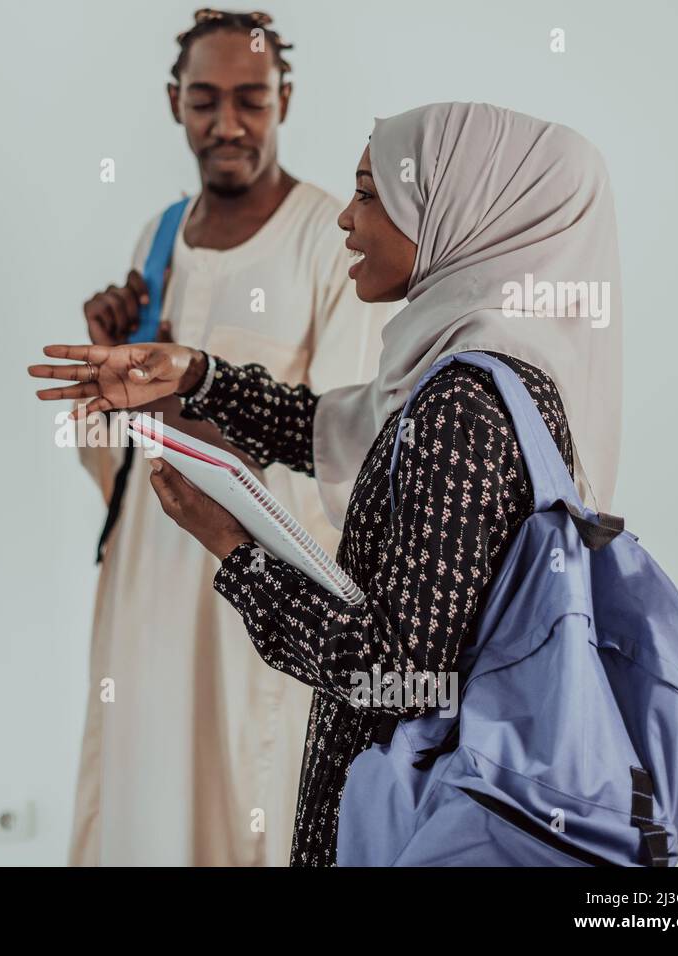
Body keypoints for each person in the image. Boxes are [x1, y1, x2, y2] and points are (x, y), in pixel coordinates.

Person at [32, 101, 622, 865]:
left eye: (371, 194)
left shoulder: (465, 404)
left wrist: (235, 552)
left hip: (413, 823)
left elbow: (397, 677)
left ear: (457, 211)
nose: (346, 217)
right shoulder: (486, 369)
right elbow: (340, 428)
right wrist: (198, 374)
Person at [70, 9, 391, 867]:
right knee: (147, 775)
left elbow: (342, 441)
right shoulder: (161, 233)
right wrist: (112, 366)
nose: (227, 124)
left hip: (254, 566)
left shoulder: (331, 239)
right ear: (174, 102)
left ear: (286, 96)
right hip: (150, 559)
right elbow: (124, 449)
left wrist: (189, 403)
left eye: (250, 99)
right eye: (204, 100)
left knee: (251, 780)